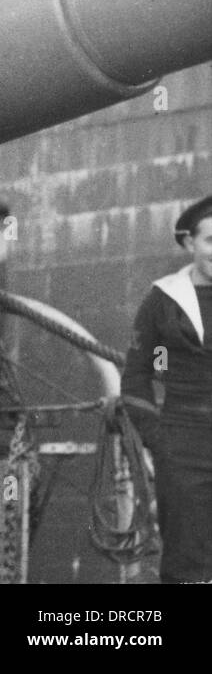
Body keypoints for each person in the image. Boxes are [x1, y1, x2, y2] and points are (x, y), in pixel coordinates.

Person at [120, 193, 212, 583]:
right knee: (187, 555)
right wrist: (158, 438)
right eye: (210, 240)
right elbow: (144, 371)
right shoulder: (165, 301)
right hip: (184, 439)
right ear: (190, 243)